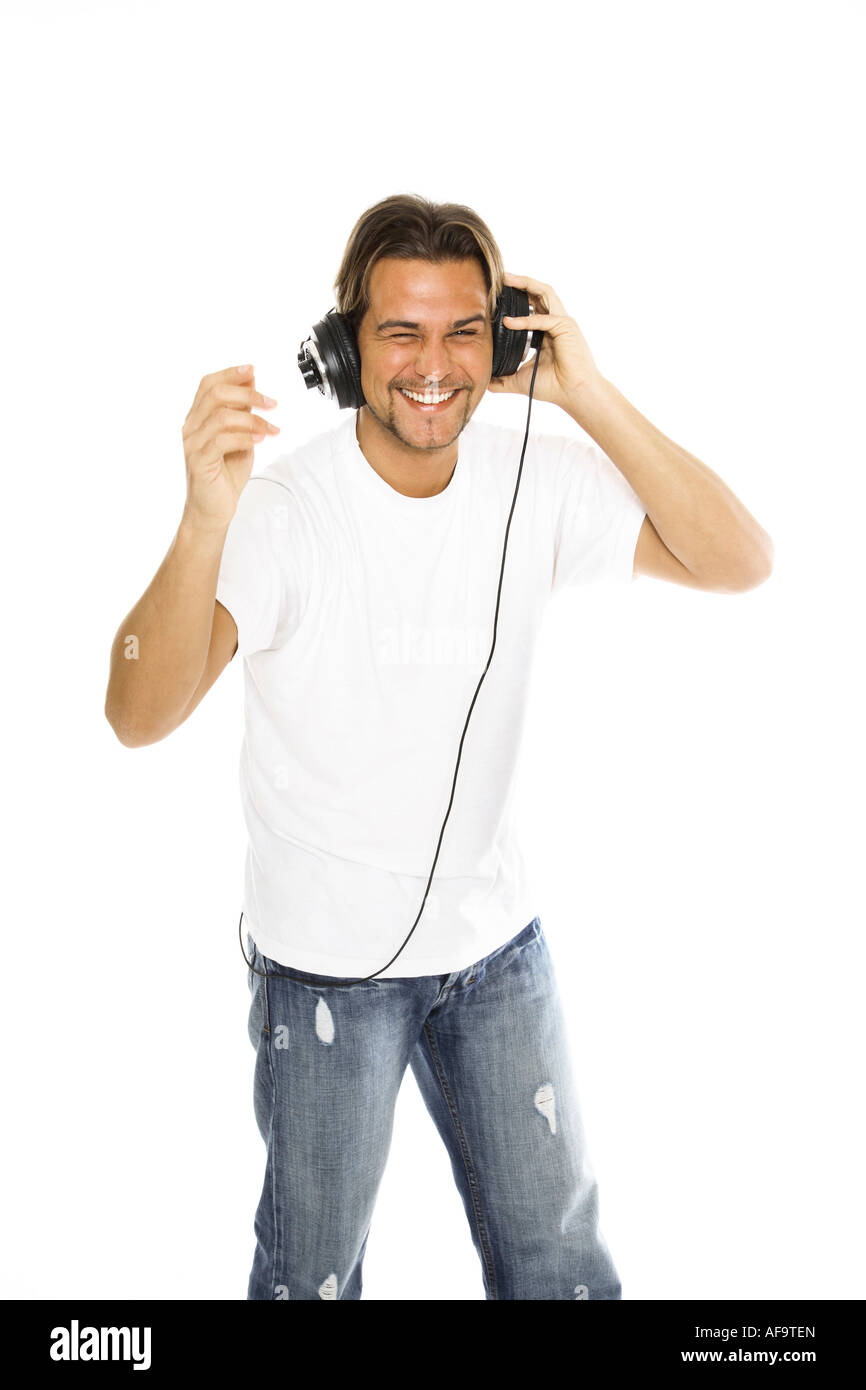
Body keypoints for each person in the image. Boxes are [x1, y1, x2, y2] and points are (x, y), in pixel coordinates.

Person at [104, 193, 774, 1301]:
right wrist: (200, 516)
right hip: (325, 972)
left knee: (557, 1266)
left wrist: (586, 394)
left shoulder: (535, 482)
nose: (432, 363)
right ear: (341, 348)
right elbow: (137, 716)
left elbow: (740, 559)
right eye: (398, 331)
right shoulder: (281, 514)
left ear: (505, 342)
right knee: (308, 1279)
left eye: (465, 329)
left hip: (495, 953)